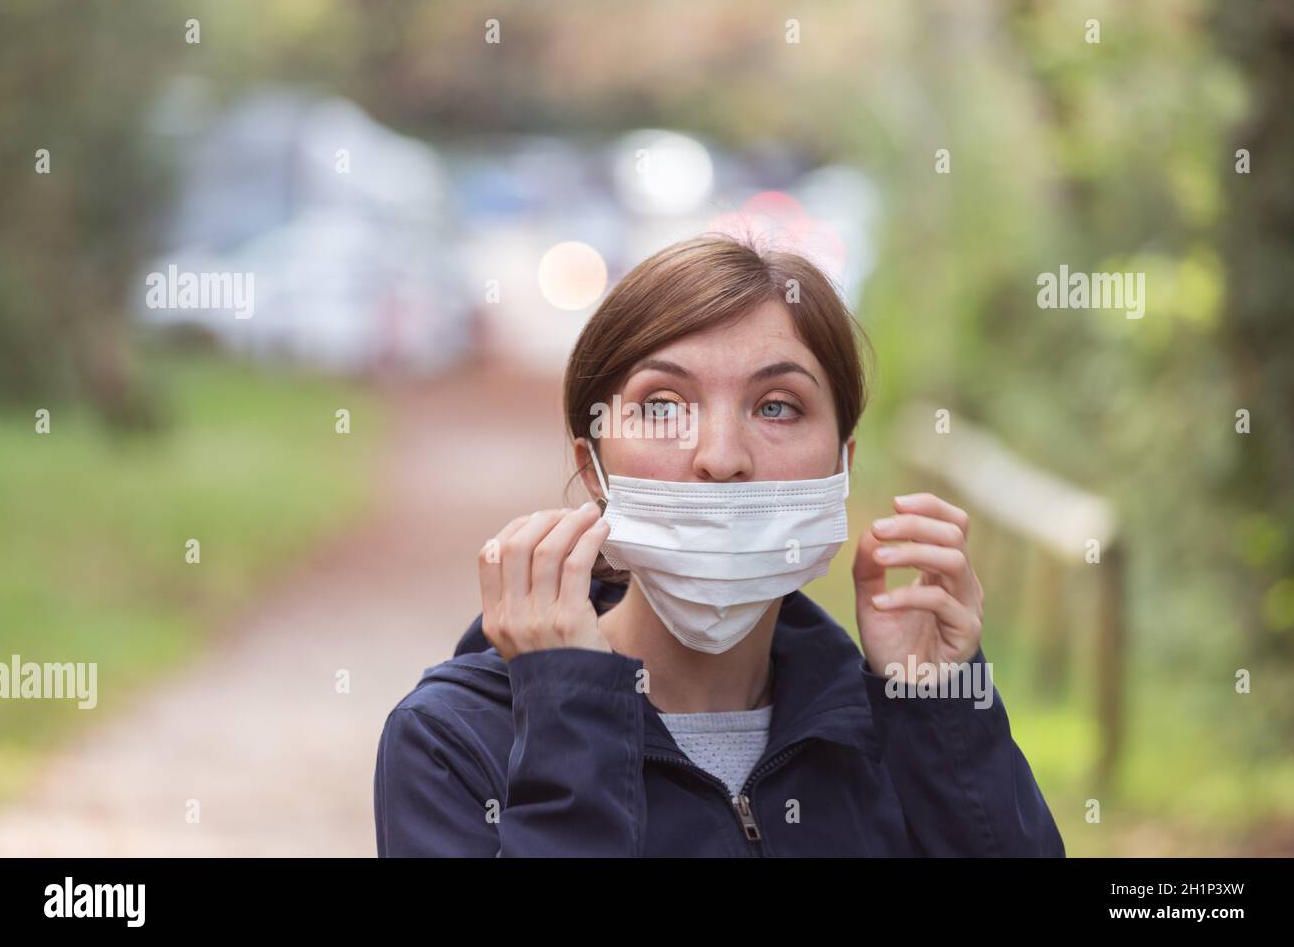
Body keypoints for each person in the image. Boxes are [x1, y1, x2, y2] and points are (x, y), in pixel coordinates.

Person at [374, 233, 1066, 857]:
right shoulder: (454, 742)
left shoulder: (890, 730)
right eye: (664, 405)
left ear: (842, 466)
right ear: (594, 469)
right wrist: (568, 715)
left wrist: (938, 710)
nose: (721, 456)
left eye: (776, 407)